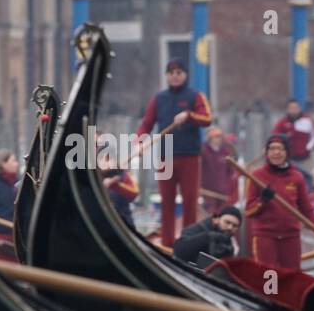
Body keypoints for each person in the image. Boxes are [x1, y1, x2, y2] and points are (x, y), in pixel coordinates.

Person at [136, 59, 212, 245]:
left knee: (189, 201)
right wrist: (139, 142)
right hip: (165, 156)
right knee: (166, 202)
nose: (175, 76)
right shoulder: (159, 98)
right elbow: (146, 124)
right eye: (171, 73)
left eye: (179, 72)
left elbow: (207, 119)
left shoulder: (195, 96)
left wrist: (189, 116)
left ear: (185, 75)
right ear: (167, 76)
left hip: (189, 156)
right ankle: (168, 243)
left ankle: (188, 241)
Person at [244, 134, 314, 271]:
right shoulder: (256, 176)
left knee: (292, 275)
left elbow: (307, 210)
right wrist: (263, 200)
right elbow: (249, 211)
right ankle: (270, 293)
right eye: (272, 149)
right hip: (265, 236)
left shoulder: (297, 177)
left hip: (291, 236)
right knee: (270, 276)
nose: (276, 152)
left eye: (280, 149)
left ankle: (289, 293)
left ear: (287, 152)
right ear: (267, 153)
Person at [173, 207, 241, 266]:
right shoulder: (197, 229)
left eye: (234, 226)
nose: (230, 227)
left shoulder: (229, 245)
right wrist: (206, 237)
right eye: (227, 222)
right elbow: (179, 251)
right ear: (217, 219)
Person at [199, 125, 238, 215]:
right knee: (209, 214)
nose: (219, 139)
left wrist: (228, 185)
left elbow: (230, 171)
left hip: (222, 191)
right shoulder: (203, 151)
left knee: (222, 214)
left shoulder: (225, 151)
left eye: (220, 137)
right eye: (216, 137)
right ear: (210, 138)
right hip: (208, 192)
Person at [99, 144, 139, 229]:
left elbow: (134, 193)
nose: (106, 162)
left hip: (124, 224)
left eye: (109, 159)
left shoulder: (123, 175)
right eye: (102, 159)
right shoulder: (95, 178)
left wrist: (115, 185)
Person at [271, 98, 314, 166]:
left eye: (295, 107)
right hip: (288, 158)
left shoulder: (307, 120)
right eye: (291, 108)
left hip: (304, 157)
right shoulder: (282, 123)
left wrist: (308, 148)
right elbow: (275, 137)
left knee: (305, 175)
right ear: (287, 109)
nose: (293, 110)